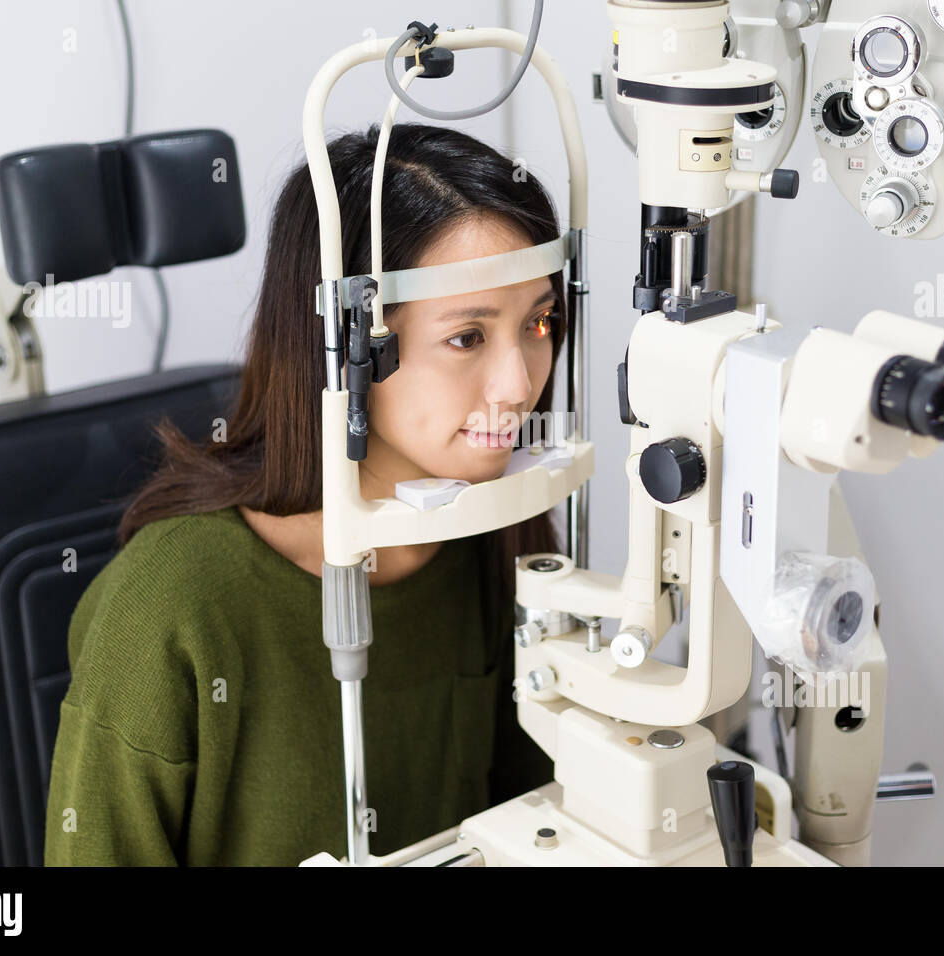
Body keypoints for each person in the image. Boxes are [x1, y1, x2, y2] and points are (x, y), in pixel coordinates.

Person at [43, 123, 565, 865]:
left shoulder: (494, 532)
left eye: (539, 322)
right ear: (347, 343)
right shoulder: (169, 606)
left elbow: (536, 816)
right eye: (467, 337)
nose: (520, 385)